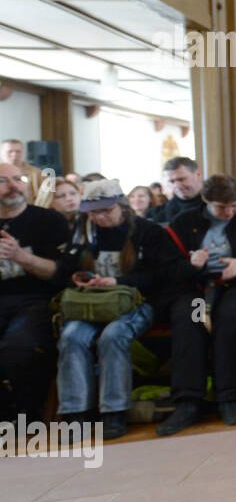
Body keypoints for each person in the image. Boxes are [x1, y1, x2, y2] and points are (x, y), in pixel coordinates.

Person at [57, 179, 184, 440]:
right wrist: (78, 276)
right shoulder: (82, 232)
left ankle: (114, 411)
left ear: (122, 206)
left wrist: (119, 281)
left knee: (113, 336)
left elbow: (165, 275)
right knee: (70, 337)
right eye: (94, 212)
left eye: (106, 210)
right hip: (92, 304)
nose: (100, 217)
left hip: (137, 302)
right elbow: (65, 268)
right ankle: (75, 414)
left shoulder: (147, 232)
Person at [157, 175, 236, 434]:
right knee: (190, 319)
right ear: (206, 200)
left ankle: (230, 397)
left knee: (229, 318)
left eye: (234, 205)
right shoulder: (185, 222)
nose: (229, 212)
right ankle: (188, 401)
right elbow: (168, 269)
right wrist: (191, 265)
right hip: (199, 288)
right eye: (222, 207)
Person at [0, 162, 71, 423]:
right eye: (3, 181)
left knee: (19, 348)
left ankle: (27, 416)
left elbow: (59, 273)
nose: (12, 186)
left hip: (37, 300)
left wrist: (20, 256)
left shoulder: (48, 221)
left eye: (17, 179)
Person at [145, 156, 204, 224]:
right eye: (172, 182)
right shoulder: (156, 215)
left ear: (198, 174)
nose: (177, 186)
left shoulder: (215, 208)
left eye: (181, 179)